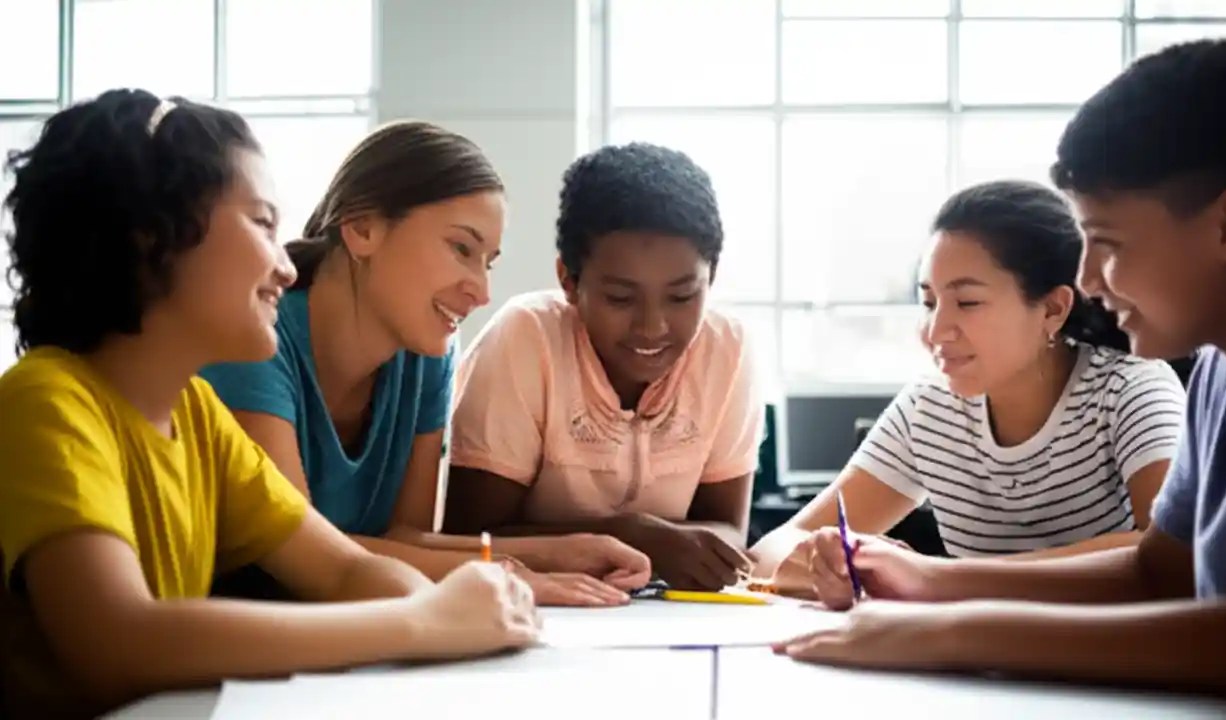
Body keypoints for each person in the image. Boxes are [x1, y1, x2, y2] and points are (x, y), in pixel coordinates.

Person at [773, 39, 1226, 712]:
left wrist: (956, 632)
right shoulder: (1218, 372)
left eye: (1109, 243)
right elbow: (1157, 571)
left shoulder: (1143, 385)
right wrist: (929, 583)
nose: (1088, 279)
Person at [0, 90, 537, 719]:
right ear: (152, 239)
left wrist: (444, 611)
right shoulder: (46, 402)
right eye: (262, 225)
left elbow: (344, 571)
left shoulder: (197, 415)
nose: (286, 267)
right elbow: (118, 641)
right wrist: (423, 622)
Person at [200, 122, 649, 608]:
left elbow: (405, 540)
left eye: (488, 262)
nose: (482, 291)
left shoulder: (427, 352)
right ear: (363, 228)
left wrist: (562, 552)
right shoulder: (257, 339)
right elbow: (301, 556)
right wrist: (506, 574)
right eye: (461, 249)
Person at [752, 180, 1187, 591]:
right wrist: (825, 560)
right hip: (971, 640)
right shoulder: (929, 408)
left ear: (1053, 309)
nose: (935, 331)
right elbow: (769, 551)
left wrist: (939, 576)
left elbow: (1173, 552)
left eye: (968, 302)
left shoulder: (1131, 390)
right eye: (929, 303)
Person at [443, 143, 764, 591]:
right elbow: (467, 537)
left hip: (660, 616)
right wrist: (627, 536)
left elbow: (727, 533)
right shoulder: (526, 338)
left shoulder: (727, 349)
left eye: (682, 296)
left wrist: (653, 543)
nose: (652, 327)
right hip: (529, 605)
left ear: (711, 277)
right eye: (620, 298)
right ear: (568, 281)